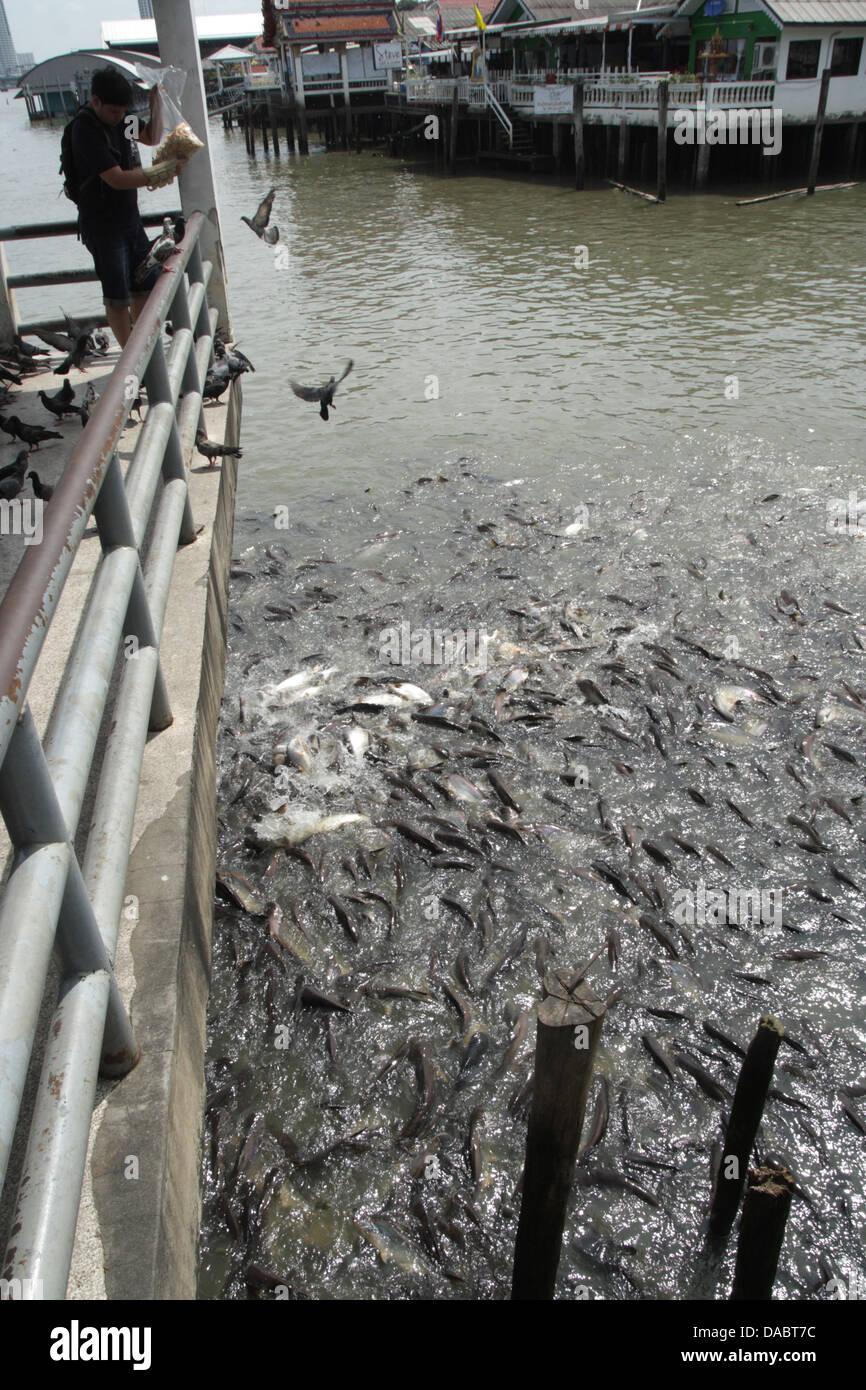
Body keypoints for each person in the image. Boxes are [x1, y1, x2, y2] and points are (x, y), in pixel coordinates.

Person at [69, 66, 188, 348]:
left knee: (144, 284)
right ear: (95, 101)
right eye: (113, 111)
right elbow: (116, 178)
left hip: (130, 222)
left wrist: (155, 104)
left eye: (123, 111)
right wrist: (160, 172)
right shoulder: (85, 130)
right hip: (103, 226)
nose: (119, 117)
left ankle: (144, 348)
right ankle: (131, 359)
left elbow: (150, 137)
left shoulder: (120, 120)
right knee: (117, 296)